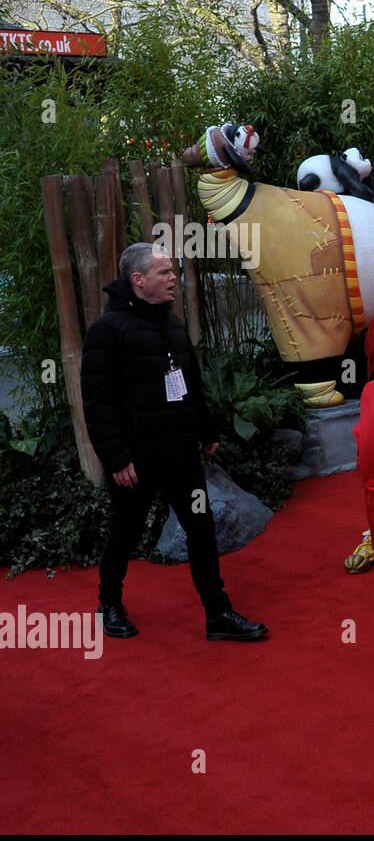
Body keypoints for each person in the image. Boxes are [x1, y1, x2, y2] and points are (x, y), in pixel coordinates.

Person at [81, 243, 268, 642]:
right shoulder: (107, 332)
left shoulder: (172, 323)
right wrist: (116, 458)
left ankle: (218, 613)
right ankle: (108, 602)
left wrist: (208, 431)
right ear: (138, 280)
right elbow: (96, 402)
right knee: (125, 532)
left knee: (201, 530)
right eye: (165, 272)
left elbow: (189, 385)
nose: (174, 279)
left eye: (173, 271)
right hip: (135, 460)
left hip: (181, 452)